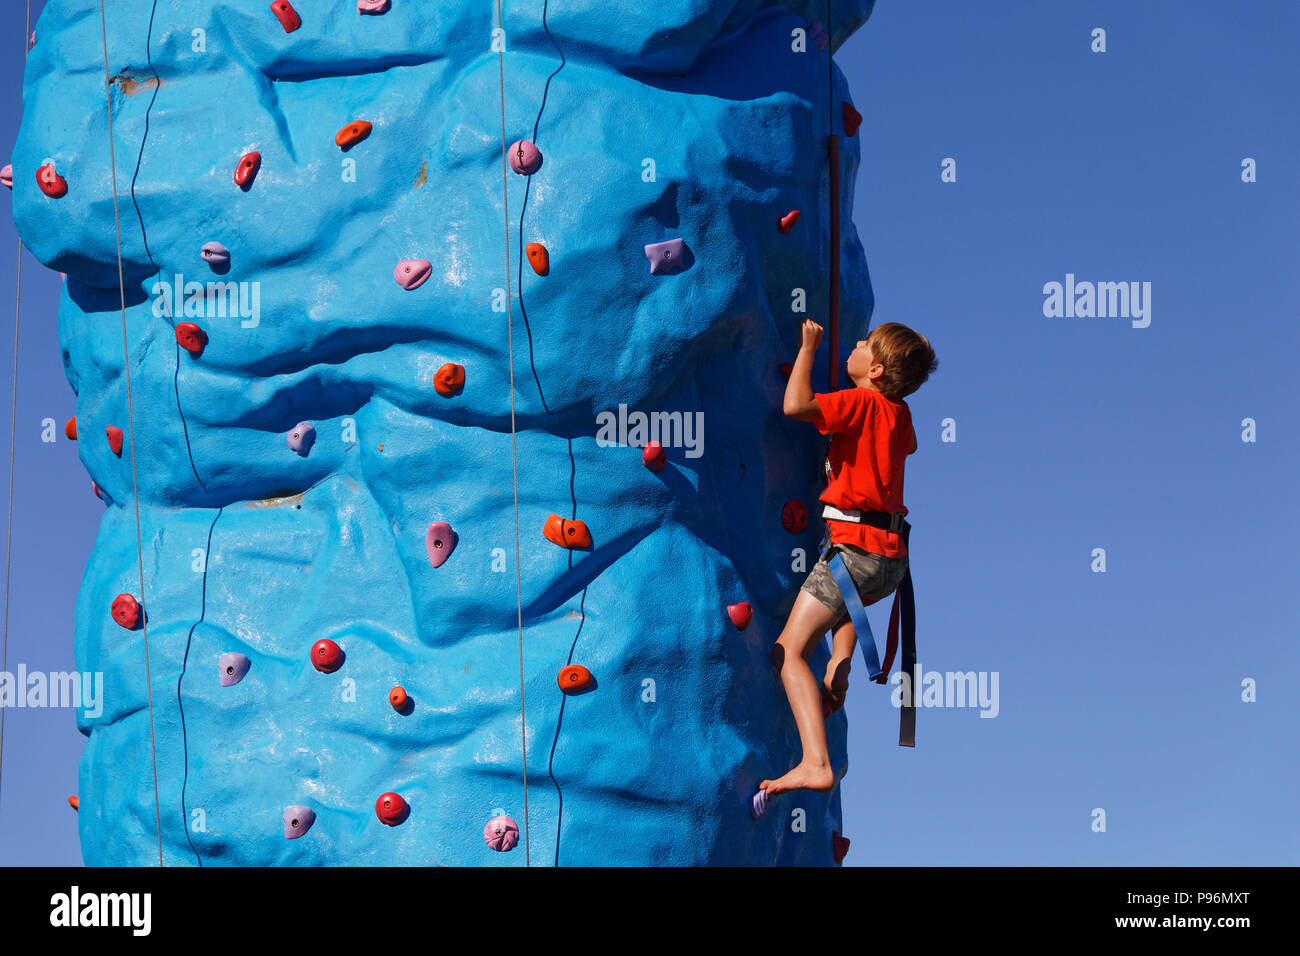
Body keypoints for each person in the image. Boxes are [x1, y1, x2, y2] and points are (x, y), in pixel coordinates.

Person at [758, 319, 938, 798]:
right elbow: (910, 444)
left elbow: (796, 404)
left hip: (854, 554)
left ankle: (814, 762)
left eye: (863, 346)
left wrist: (809, 348)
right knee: (842, 603)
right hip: (890, 564)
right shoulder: (900, 416)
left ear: (875, 370)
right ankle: (839, 666)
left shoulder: (860, 403)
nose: (854, 346)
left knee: (787, 651)